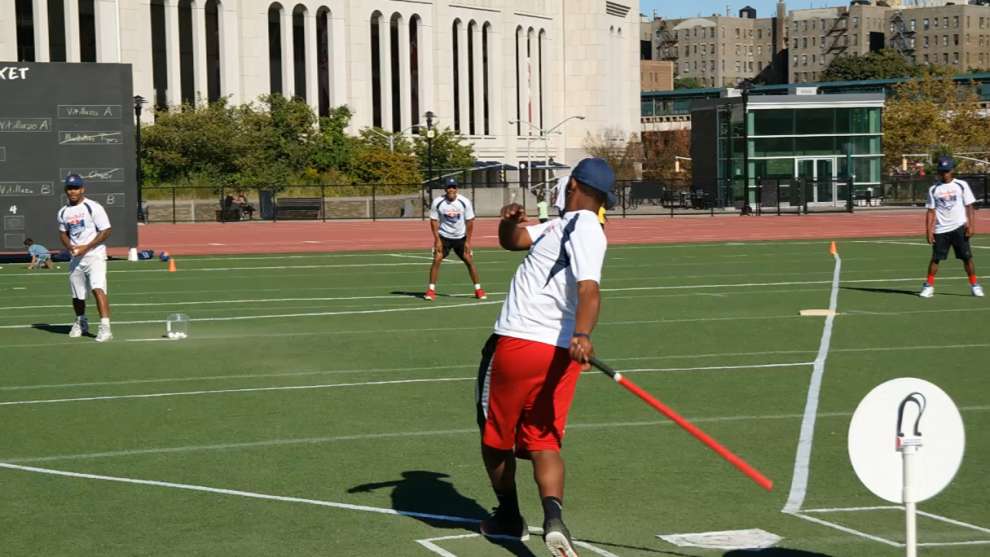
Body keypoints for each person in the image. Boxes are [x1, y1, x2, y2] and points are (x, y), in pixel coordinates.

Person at [475, 157, 615, 557]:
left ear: (572, 185)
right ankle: (553, 520)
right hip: (555, 354)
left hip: (520, 343)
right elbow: (513, 241)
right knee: (543, 439)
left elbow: (590, 288)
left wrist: (584, 334)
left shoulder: (585, 228)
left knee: (495, 437)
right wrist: (509, 221)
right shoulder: (564, 223)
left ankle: (508, 515)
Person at [57, 174, 114, 342]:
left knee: (98, 289)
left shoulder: (93, 207)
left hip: (95, 255)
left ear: (82, 189)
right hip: (76, 258)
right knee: (77, 295)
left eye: (76, 188)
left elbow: (106, 230)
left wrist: (86, 247)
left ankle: (105, 328)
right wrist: (70, 247)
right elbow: (63, 234)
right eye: (69, 188)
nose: (72, 191)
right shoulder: (63, 212)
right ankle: (81, 322)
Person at [920, 156, 983, 298]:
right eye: (942, 171)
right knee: (936, 258)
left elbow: (969, 206)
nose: (944, 174)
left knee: (967, 258)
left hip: (959, 227)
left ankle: (974, 285)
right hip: (941, 230)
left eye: (947, 171)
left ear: (952, 170)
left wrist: (971, 226)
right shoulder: (933, 189)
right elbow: (931, 211)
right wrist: (929, 231)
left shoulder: (961, 185)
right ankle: (929, 285)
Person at [424, 177, 486, 301]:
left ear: (457, 189)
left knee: (469, 260)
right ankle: (431, 290)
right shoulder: (438, 202)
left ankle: (478, 289)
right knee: (437, 259)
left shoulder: (464, 202)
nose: (451, 189)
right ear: (445, 189)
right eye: (449, 187)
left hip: (460, 237)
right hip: (444, 237)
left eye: (453, 187)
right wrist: (437, 240)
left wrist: (468, 242)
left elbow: (470, 222)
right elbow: (434, 221)